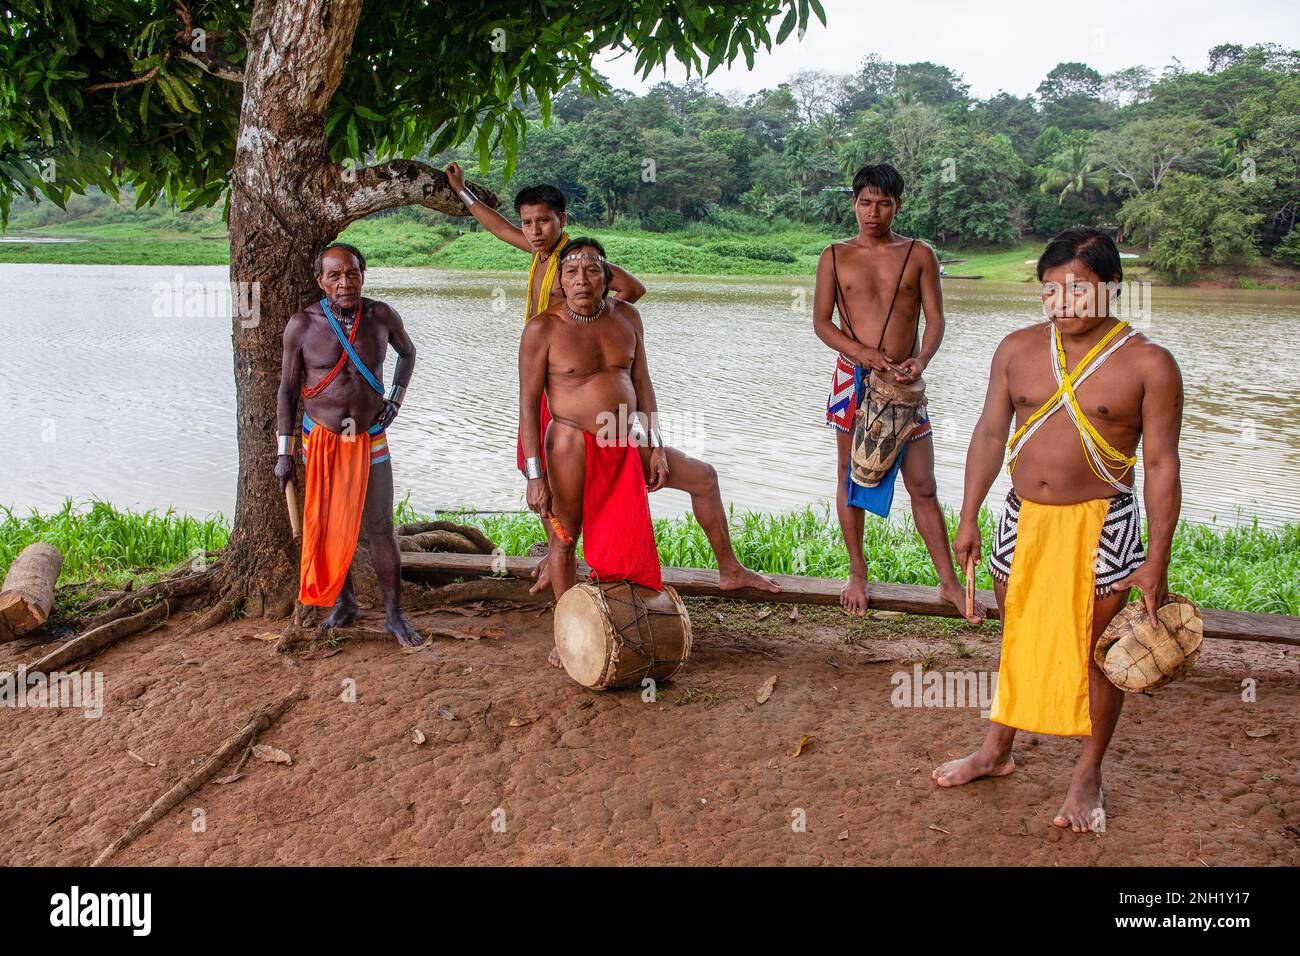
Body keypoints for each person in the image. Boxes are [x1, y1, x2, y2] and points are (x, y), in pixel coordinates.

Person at [932, 226, 1184, 833]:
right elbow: (990, 434)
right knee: (1017, 634)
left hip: (1103, 525)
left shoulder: (1150, 363)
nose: (1063, 304)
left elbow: (1160, 465)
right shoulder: (1017, 349)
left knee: (1099, 657)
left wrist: (1157, 558)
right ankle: (997, 750)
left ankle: (1087, 775)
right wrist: (966, 516)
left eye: (1078, 290)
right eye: (1051, 292)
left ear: (1111, 289)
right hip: (1021, 522)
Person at [518, 238, 780, 665]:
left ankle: (730, 570)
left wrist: (655, 444)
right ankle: (566, 634)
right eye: (571, 273)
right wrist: (534, 474)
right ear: (560, 282)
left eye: (592, 271)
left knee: (703, 477)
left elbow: (643, 384)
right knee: (564, 539)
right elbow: (528, 406)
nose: (581, 281)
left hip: (623, 436)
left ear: (607, 278)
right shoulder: (542, 329)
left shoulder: (627, 317)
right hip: (570, 442)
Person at [444, 164, 647, 591]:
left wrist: (592, 321)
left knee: (561, 472)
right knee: (535, 467)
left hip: (564, 380)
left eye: (543, 221)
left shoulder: (576, 259)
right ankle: (557, 545)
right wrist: (462, 193)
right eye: (529, 222)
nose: (534, 230)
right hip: (545, 366)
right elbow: (498, 229)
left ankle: (568, 546)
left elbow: (633, 289)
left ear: (562, 221)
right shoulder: (540, 250)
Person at [812, 163, 984, 622]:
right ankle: (857, 572)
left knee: (922, 483)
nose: (873, 212)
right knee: (850, 475)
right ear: (853, 204)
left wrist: (920, 361)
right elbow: (822, 324)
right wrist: (863, 354)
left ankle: (948, 582)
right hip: (852, 379)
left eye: (883, 203)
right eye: (865, 202)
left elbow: (936, 320)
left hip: (904, 385)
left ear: (898, 205)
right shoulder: (833, 255)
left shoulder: (920, 254)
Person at [275, 243, 421, 646]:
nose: (345, 283)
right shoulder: (302, 325)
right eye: (335, 276)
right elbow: (287, 392)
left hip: (369, 436)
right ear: (320, 281)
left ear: (363, 274)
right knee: (327, 525)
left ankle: (394, 614)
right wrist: (284, 452)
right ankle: (344, 604)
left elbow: (408, 354)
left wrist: (395, 398)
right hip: (320, 439)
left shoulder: (381, 316)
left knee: (379, 526)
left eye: (352, 274)